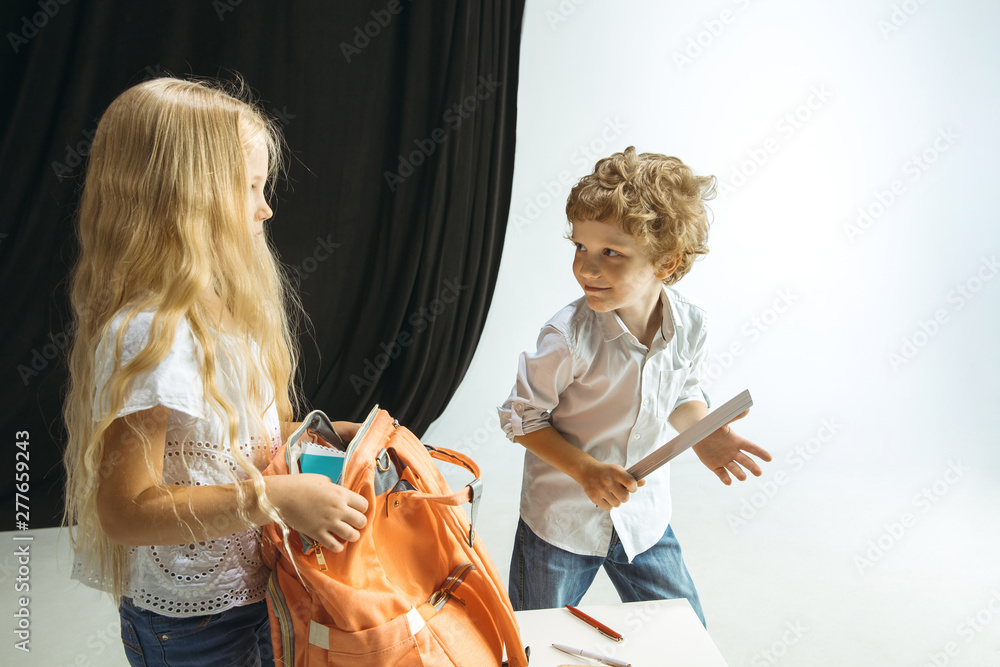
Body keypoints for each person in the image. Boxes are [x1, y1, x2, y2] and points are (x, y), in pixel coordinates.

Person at [62, 76, 369, 666]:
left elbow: (240, 444)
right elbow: (125, 511)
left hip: (259, 591)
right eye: (251, 187)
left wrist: (320, 440)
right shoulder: (149, 334)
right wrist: (270, 498)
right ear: (187, 197)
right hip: (194, 622)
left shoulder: (224, 311)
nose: (266, 206)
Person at [497, 147, 771, 625]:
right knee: (531, 641)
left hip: (643, 521)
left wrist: (705, 433)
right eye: (580, 247)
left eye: (611, 253)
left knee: (688, 635)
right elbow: (521, 418)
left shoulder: (690, 323)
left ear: (666, 264)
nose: (586, 267)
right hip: (560, 522)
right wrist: (585, 471)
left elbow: (683, 393)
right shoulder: (566, 337)